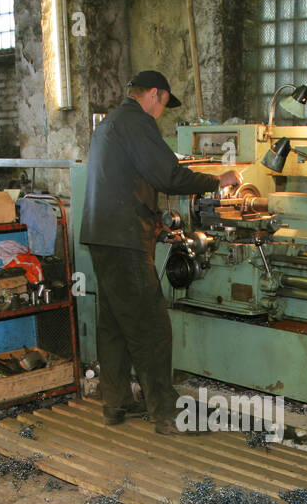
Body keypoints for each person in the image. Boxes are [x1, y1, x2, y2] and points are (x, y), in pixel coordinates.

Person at [79, 71, 240, 435]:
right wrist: (219, 180)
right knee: (151, 326)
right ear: (154, 94)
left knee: (115, 322)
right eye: (164, 104)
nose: (161, 112)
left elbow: (127, 182)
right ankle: (167, 415)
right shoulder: (138, 122)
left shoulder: (109, 124)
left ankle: (115, 402)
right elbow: (168, 176)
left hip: (104, 236)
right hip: (123, 241)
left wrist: (155, 221)